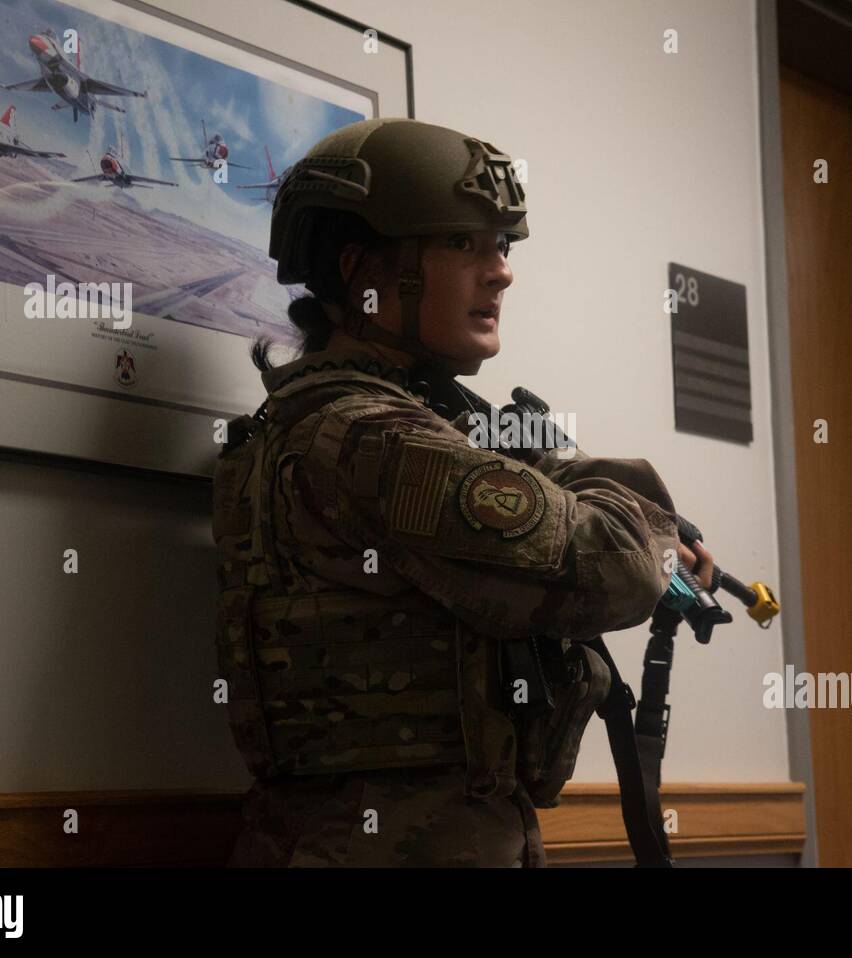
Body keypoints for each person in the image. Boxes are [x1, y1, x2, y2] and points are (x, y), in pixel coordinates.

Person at [212, 116, 712, 867]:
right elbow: (621, 566)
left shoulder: (306, 424)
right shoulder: (371, 440)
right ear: (362, 270)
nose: (500, 270)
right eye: (460, 242)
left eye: (501, 245)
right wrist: (605, 488)